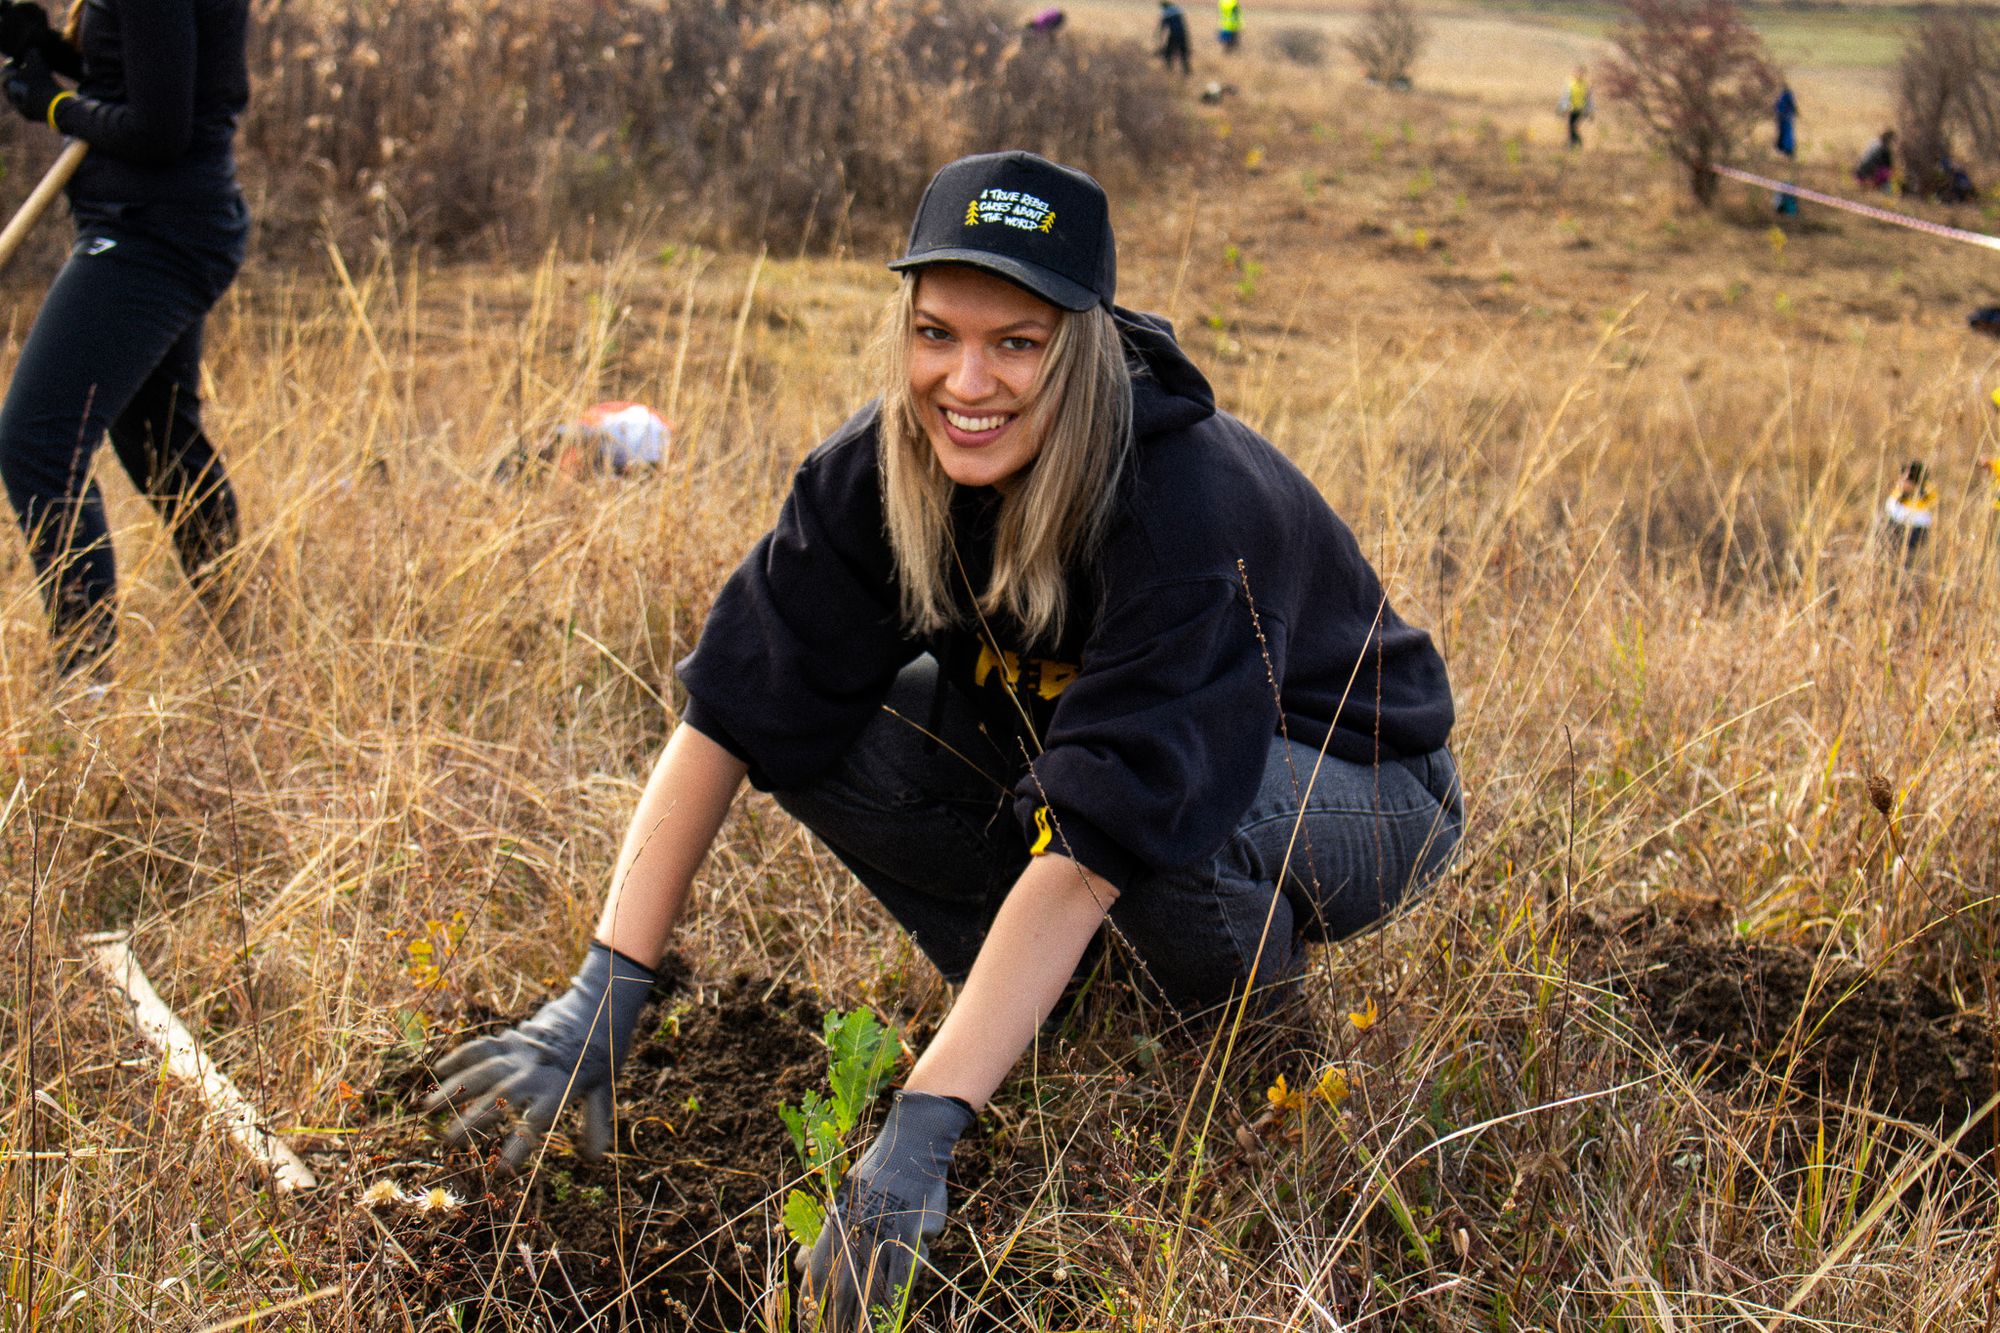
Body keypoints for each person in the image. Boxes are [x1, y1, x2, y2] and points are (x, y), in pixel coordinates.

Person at [419, 152, 1462, 1329]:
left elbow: (1102, 826)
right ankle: (1061, 1010)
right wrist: (603, 990)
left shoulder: (1179, 506)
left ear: (1080, 342)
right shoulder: (879, 464)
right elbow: (732, 707)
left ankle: (1253, 1071)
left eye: (1014, 342)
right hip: (1094, 773)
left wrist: (921, 1129)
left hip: (1353, 779)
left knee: (1165, 832)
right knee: (816, 724)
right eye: (934, 333)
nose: (965, 381)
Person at [0, 0, 250, 685]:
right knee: (156, 437)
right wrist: (50, 51)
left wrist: (54, 107)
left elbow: (158, 128)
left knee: (36, 442)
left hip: (152, 233)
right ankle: (247, 643)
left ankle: (83, 702)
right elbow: (152, 71)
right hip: (169, 220)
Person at [1883, 459, 1936, 561]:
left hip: (1914, 529)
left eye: (1907, 479)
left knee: (1906, 556)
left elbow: (1929, 504)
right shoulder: (1898, 491)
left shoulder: (1926, 493)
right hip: (1894, 524)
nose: (1902, 481)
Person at [1773, 85, 1800, 215]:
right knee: (1786, 136)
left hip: (1782, 122)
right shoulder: (1787, 96)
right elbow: (1793, 107)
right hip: (1785, 124)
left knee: (1784, 135)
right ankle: (1787, 153)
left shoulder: (1782, 98)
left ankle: (1785, 152)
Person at [1158, 0, 1190, 74]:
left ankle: (1169, 70)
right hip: (1183, 35)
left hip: (1173, 35)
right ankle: (1186, 71)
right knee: (1183, 54)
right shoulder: (1177, 10)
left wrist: (1159, 37)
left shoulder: (1166, 13)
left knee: (1168, 53)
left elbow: (1163, 27)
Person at [1563, 67, 1591, 149]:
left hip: (1581, 108)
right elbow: (1565, 96)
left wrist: (1589, 109)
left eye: (1581, 73)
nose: (1579, 75)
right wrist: (1565, 106)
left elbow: (1588, 97)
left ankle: (1576, 142)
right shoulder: (1570, 83)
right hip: (1571, 108)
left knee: (1574, 126)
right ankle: (1572, 143)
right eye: (1577, 73)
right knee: (1570, 126)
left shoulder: (1585, 84)